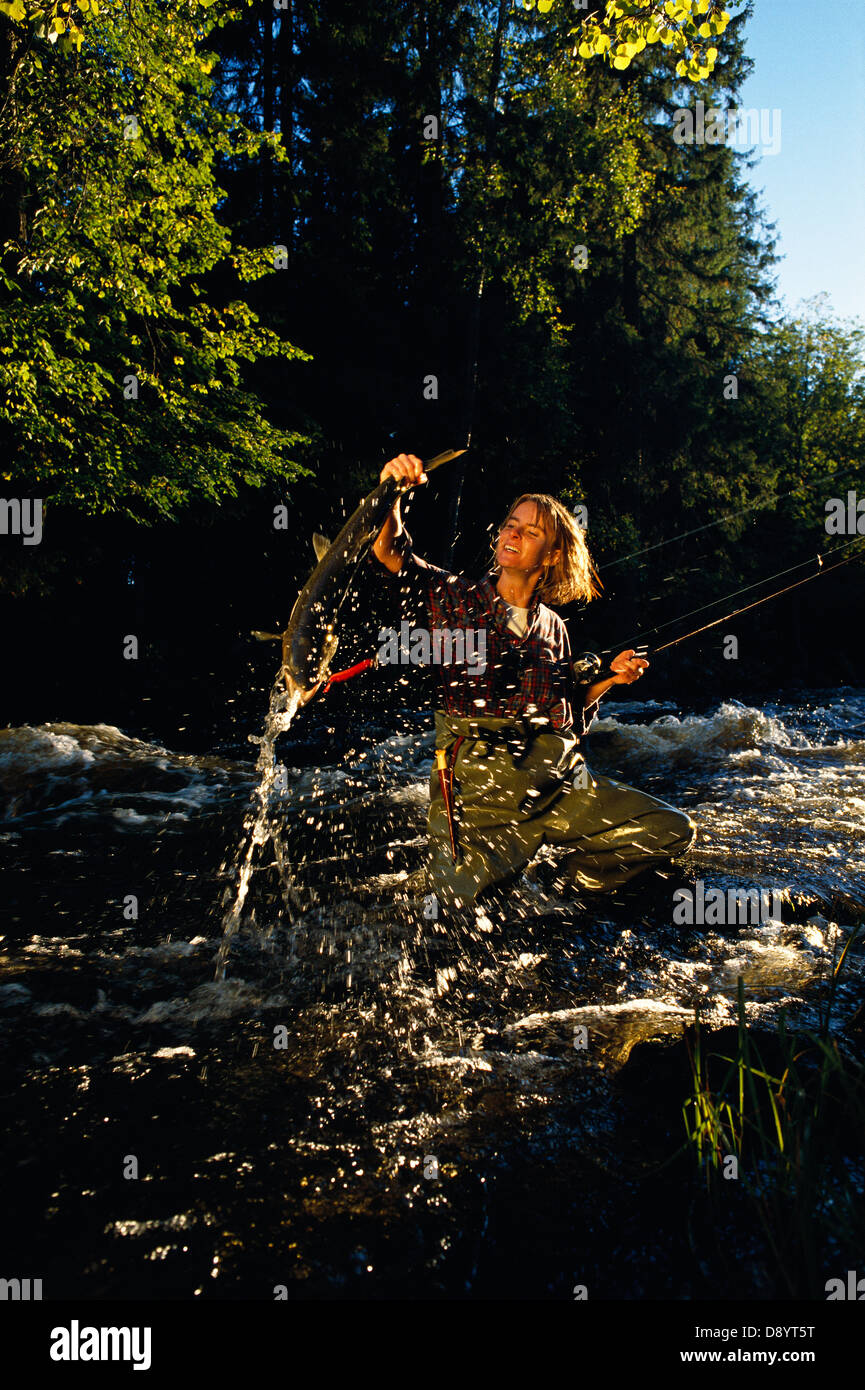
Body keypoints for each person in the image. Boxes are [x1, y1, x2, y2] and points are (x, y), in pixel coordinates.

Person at [370, 451, 696, 910]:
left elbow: (570, 715)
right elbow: (390, 551)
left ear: (553, 554)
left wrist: (610, 680)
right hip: (477, 798)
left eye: (530, 531)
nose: (513, 534)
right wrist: (393, 492)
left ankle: (564, 890)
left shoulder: (555, 628)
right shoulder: (453, 596)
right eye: (510, 524)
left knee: (670, 830)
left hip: (557, 787)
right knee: (449, 914)